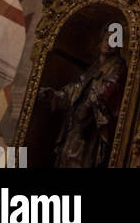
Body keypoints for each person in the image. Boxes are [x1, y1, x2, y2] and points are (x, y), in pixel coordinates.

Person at [39, 27, 127, 168]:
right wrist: (54, 95)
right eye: (107, 39)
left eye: (114, 41)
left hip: (91, 128)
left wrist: (87, 106)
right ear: (101, 40)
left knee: (79, 160)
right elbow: (76, 89)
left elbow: (109, 90)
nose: (110, 44)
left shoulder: (118, 66)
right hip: (74, 123)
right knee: (65, 156)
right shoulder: (94, 67)